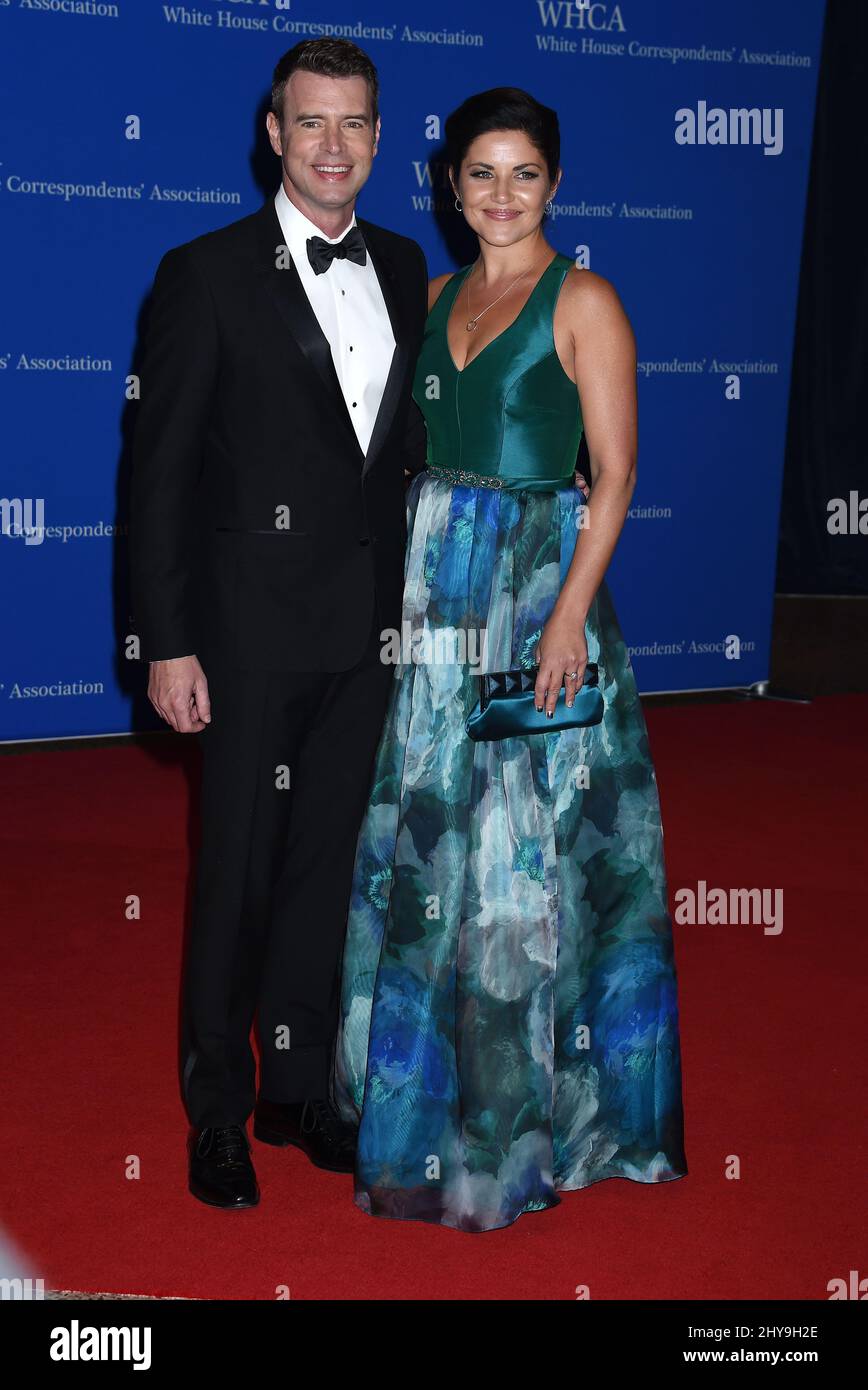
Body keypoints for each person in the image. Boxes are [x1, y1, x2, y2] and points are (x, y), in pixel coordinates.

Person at [335, 87, 688, 1232]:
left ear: (554, 184)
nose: (499, 194)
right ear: (449, 185)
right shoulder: (435, 298)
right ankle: (425, 1117)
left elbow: (617, 473)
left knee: (519, 863)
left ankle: (526, 1135)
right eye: (478, 173)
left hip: (538, 597)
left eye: (522, 174)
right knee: (438, 853)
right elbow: (408, 458)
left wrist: (567, 612)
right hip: (439, 601)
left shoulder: (583, 298)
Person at [129, 39, 428, 1209]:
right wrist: (167, 638)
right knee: (236, 878)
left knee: (323, 873)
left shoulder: (404, 265)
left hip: (368, 638)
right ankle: (216, 1113)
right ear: (273, 133)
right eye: (312, 123)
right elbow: (155, 475)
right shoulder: (202, 274)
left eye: (354, 123)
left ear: (378, 135)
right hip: (245, 637)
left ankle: (295, 1090)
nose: (334, 146)